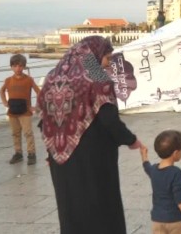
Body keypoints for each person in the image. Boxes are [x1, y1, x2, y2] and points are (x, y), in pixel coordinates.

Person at [39, 36, 145, 234]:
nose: (108, 64)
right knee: (101, 206)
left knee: (70, 206)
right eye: (107, 57)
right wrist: (130, 139)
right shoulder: (97, 76)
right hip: (94, 155)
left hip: (61, 158)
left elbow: (45, 120)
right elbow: (108, 117)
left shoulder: (53, 76)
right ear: (94, 55)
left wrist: (50, 151)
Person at [140, 130, 181, 234]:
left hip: (157, 221)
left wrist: (144, 155)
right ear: (176, 153)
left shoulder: (154, 170)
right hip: (175, 221)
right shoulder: (176, 173)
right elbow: (179, 198)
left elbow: (147, 167)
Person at [0, 54, 40, 165]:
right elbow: (1, 91)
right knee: (15, 133)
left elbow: (39, 93)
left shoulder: (29, 80)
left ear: (24, 67)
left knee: (28, 133)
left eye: (21, 66)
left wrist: (36, 107)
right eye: (15, 66)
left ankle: (31, 154)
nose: (18, 68)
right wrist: (5, 103)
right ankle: (18, 154)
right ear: (11, 67)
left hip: (25, 112)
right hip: (12, 112)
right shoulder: (8, 80)